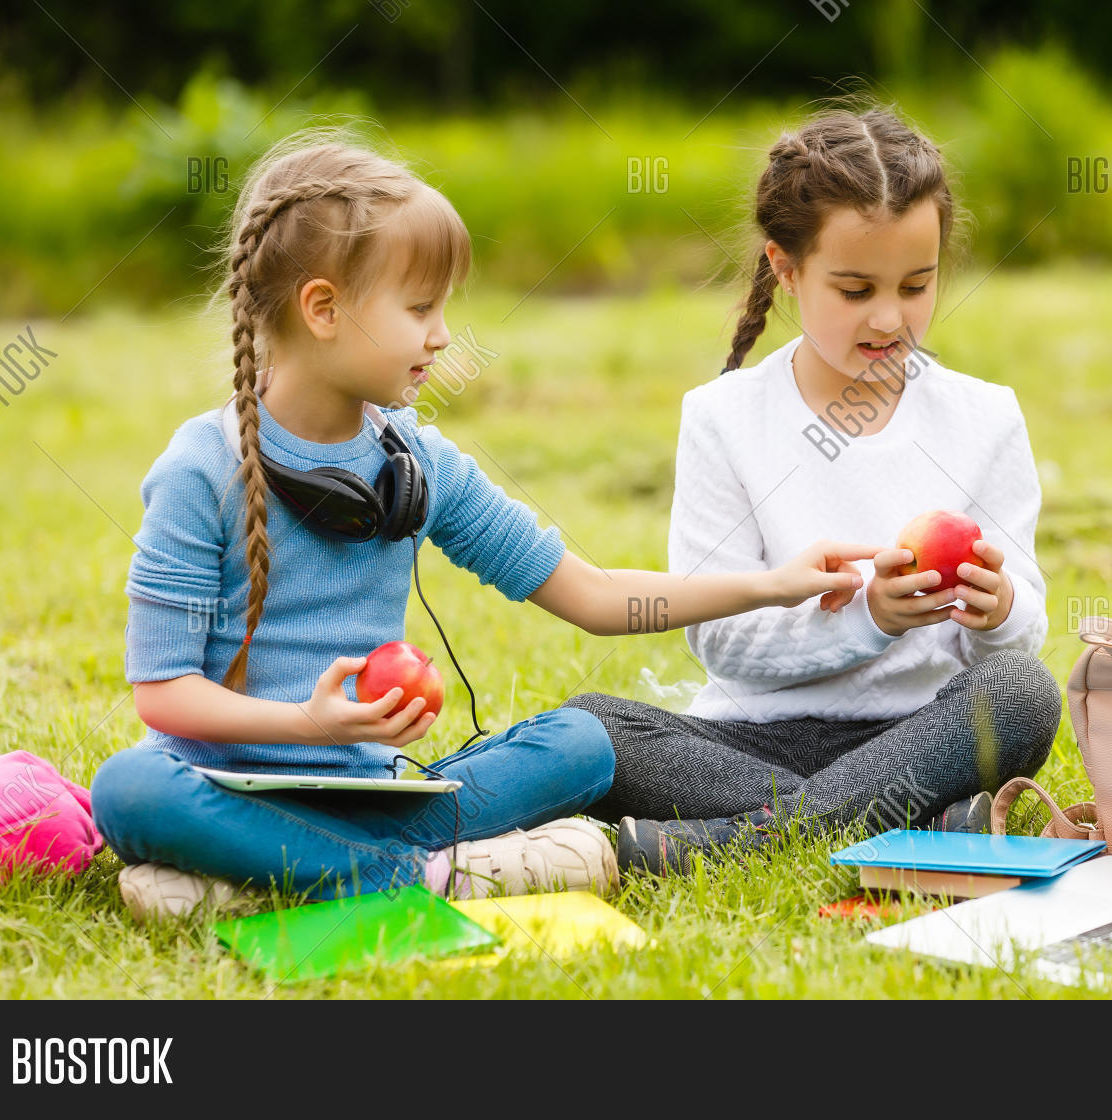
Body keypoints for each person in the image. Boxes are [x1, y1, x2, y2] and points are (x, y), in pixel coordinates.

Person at [89, 131, 876, 920]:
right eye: (420, 307)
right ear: (323, 308)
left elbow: (597, 599)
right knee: (128, 789)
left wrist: (772, 584)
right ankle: (422, 876)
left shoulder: (417, 466)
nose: (441, 335)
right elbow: (164, 696)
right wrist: (303, 722)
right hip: (223, 788)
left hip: (373, 797)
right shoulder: (201, 469)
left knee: (583, 743)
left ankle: (282, 874)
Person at [564, 106, 1063, 874]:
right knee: (588, 729)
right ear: (785, 268)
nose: (891, 318)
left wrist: (997, 610)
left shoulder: (983, 417)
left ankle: (729, 846)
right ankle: (916, 822)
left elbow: (1020, 629)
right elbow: (719, 639)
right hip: (755, 736)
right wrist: (866, 619)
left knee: (1023, 692)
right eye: (856, 289)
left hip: (922, 730)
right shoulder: (723, 418)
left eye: (917, 285)